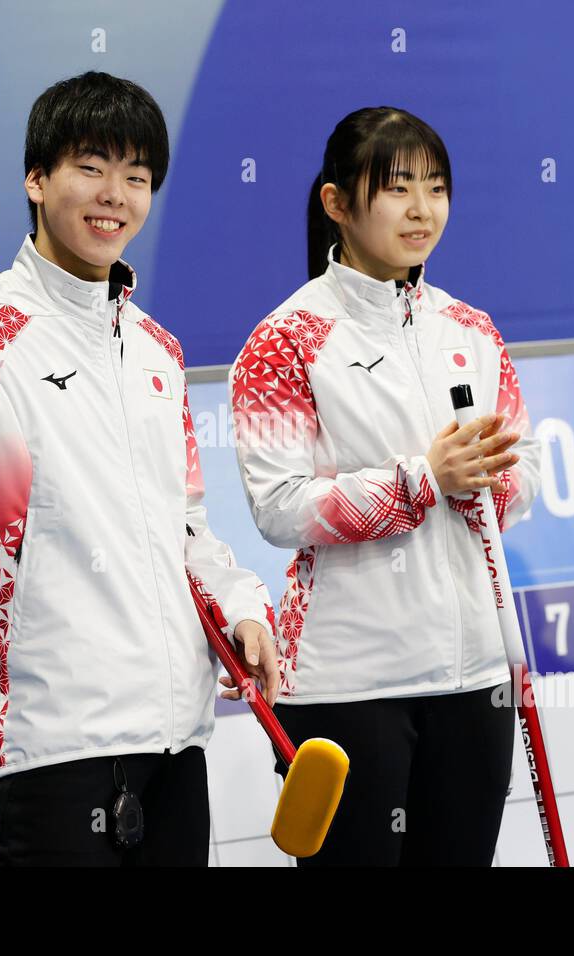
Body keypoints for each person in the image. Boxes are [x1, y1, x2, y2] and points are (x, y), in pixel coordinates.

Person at [0, 71, 279, 866]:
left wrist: (243, 606)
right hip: (56, 748)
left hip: (177, 744)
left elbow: (187, 533)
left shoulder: (159, 351)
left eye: (138, 177)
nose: (115, 194)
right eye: (91, 167)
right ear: (36, 180)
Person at [225, 106, 541, 866]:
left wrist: (489, 484)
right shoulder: (285, 340)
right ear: (337, 202)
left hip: (476, 675)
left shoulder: (472, 328)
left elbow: (521, 476)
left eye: (436, 187)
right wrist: (423, 482)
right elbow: (279, 507)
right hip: (345, 685)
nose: (423, 208)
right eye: (398, 188)